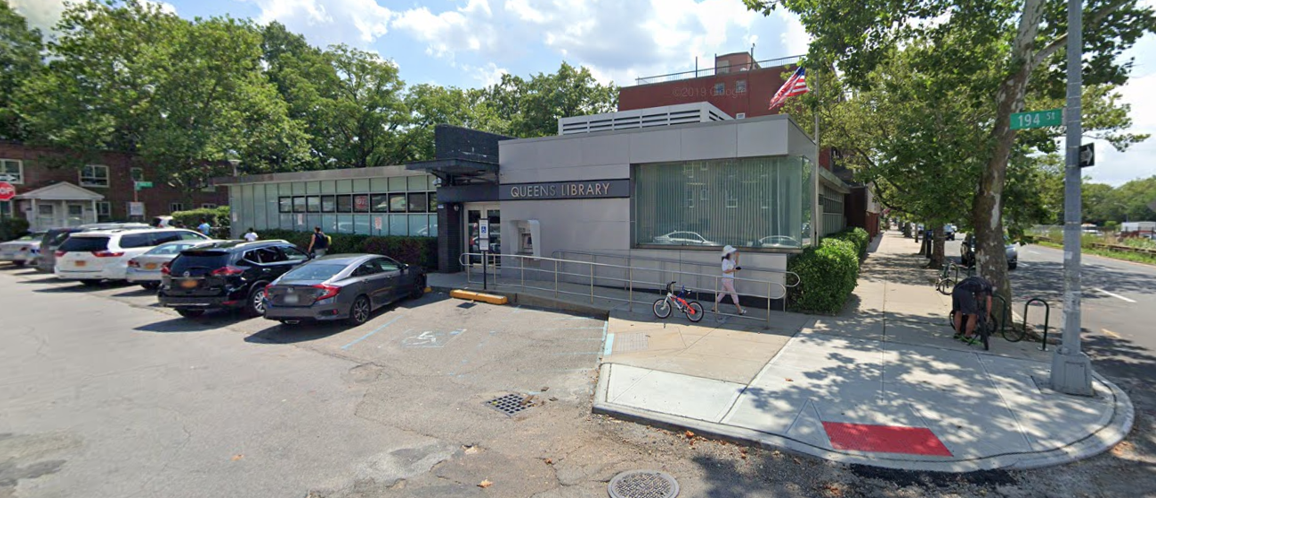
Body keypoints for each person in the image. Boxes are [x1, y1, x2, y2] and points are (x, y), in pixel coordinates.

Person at [951, 275, 994, 346]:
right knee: (973, 315)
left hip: (956, 289)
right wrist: (988, 315)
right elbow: (989, 300)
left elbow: (977, 295)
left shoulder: (976, 279)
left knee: (958, 312)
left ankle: (957, 333)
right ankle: (967, 336)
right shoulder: (988, 286)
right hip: (967, 292)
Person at [715, 245, 747, 316]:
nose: (732, 253)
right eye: (731, 252)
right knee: (733, 294)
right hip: (727, 280)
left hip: (729, 280)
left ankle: (714, 307)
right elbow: (725, 270)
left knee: (722, 294)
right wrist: (734, 270)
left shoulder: (730, 260)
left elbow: (736, 263)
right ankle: (739, 309)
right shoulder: (725, 261)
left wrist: (737, 256)